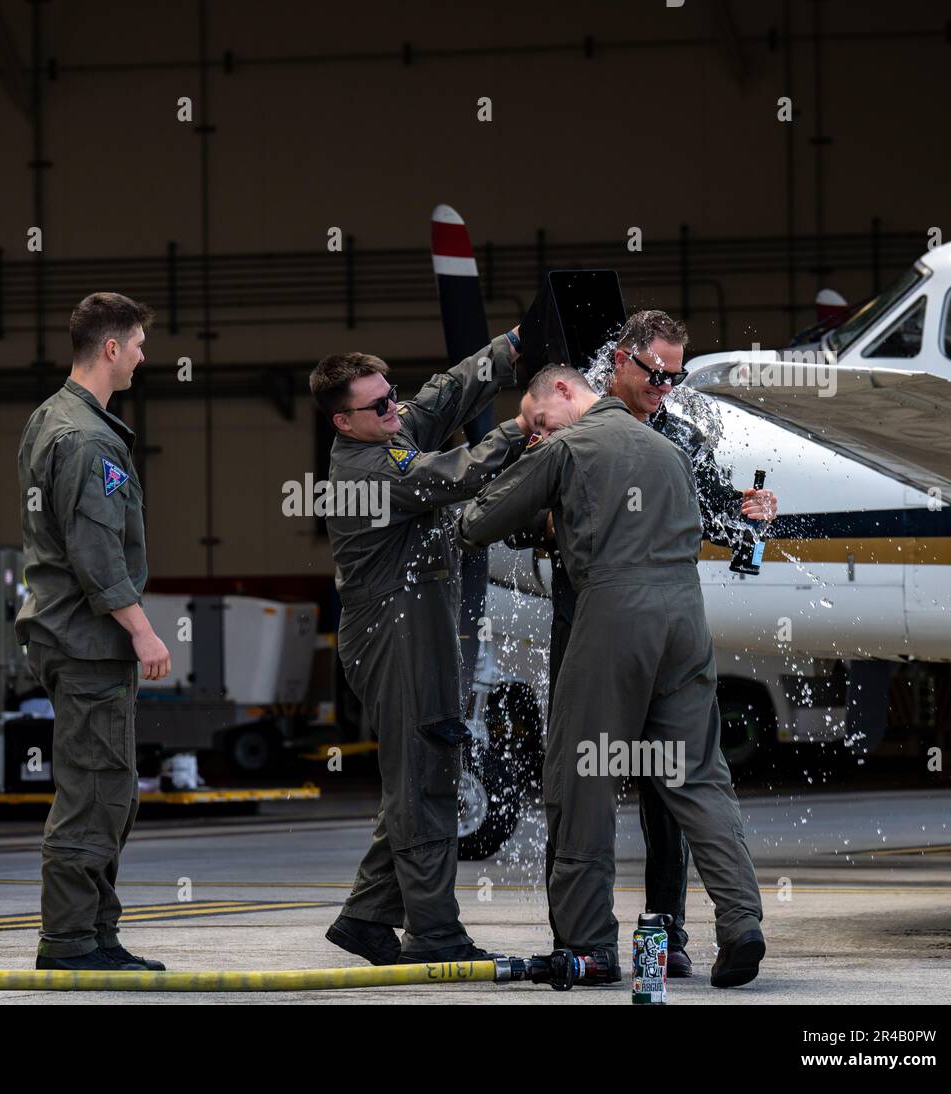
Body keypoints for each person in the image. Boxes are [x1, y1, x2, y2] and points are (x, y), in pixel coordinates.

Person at [457, 367, 766, 988]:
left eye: (539, 421)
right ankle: (742, 924)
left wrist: (519, 449)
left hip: (614, 617)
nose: (538, 436)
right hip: (686, 623)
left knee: (581, 777)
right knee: (698, 776)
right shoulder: (670, 450)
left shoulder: (568, 448)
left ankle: (590, 943)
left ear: (566, 393)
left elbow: (477, 523)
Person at [311, 327, 536, 965]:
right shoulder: (371, 469)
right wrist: (521, 427)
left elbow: (441, 398)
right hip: (394, 637)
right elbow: (457, 473)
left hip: (417, 628)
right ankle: (435, 933)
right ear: (343, 421)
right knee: (425, 784)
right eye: (378, 405)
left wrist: (511, 348)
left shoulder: (383, 428)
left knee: (419, 775)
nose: (393, 409)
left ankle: (365, 918)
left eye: (392, 397)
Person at [16, 292, 172, 971]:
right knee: (95, 790)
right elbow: (95, 552)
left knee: (110, 788)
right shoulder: (83, 437)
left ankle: (97, 933)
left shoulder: (54, 418)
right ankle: (72, 941)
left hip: (76, 637)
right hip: (86, 640)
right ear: (110, 347)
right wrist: (143, 630)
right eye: (137, 343)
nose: (142, 355)